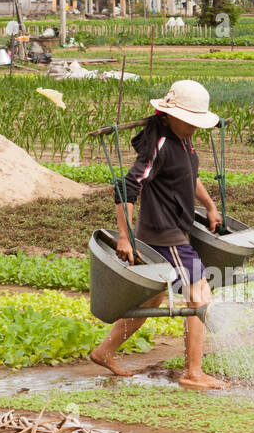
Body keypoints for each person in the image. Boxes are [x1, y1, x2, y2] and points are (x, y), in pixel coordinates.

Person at [90, 79, 224, 391]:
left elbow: (189, 175)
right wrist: (124, 237)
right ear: (170, 115)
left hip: (176, 227)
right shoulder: (159, 144)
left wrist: (209, 204)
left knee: (154, 297)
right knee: (199, 296)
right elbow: (126, 188)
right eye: (189, 121)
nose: (193, 127)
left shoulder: (183, 138)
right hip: (165, 233)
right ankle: (193, 372)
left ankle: (103, 352)